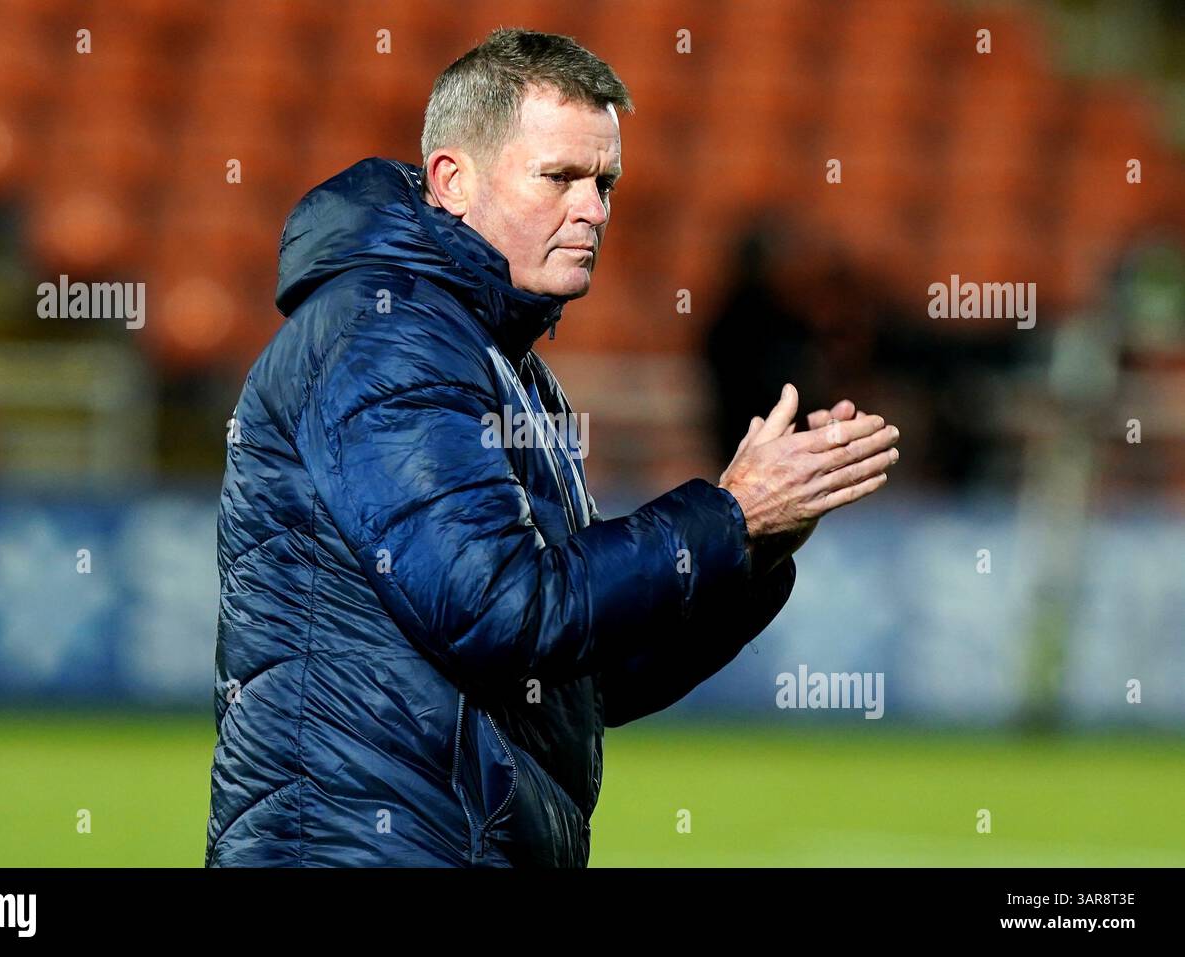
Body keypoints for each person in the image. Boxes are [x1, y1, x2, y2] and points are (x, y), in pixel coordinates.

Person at [204, 27, 900, 868]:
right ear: (452, 181)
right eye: (561, 177)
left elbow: (579, 675)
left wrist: (749, 544)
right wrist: (726, 512)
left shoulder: (499, 362)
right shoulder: (387, 338)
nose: (595, 210)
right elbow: (502, 611)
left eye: (605, 181)